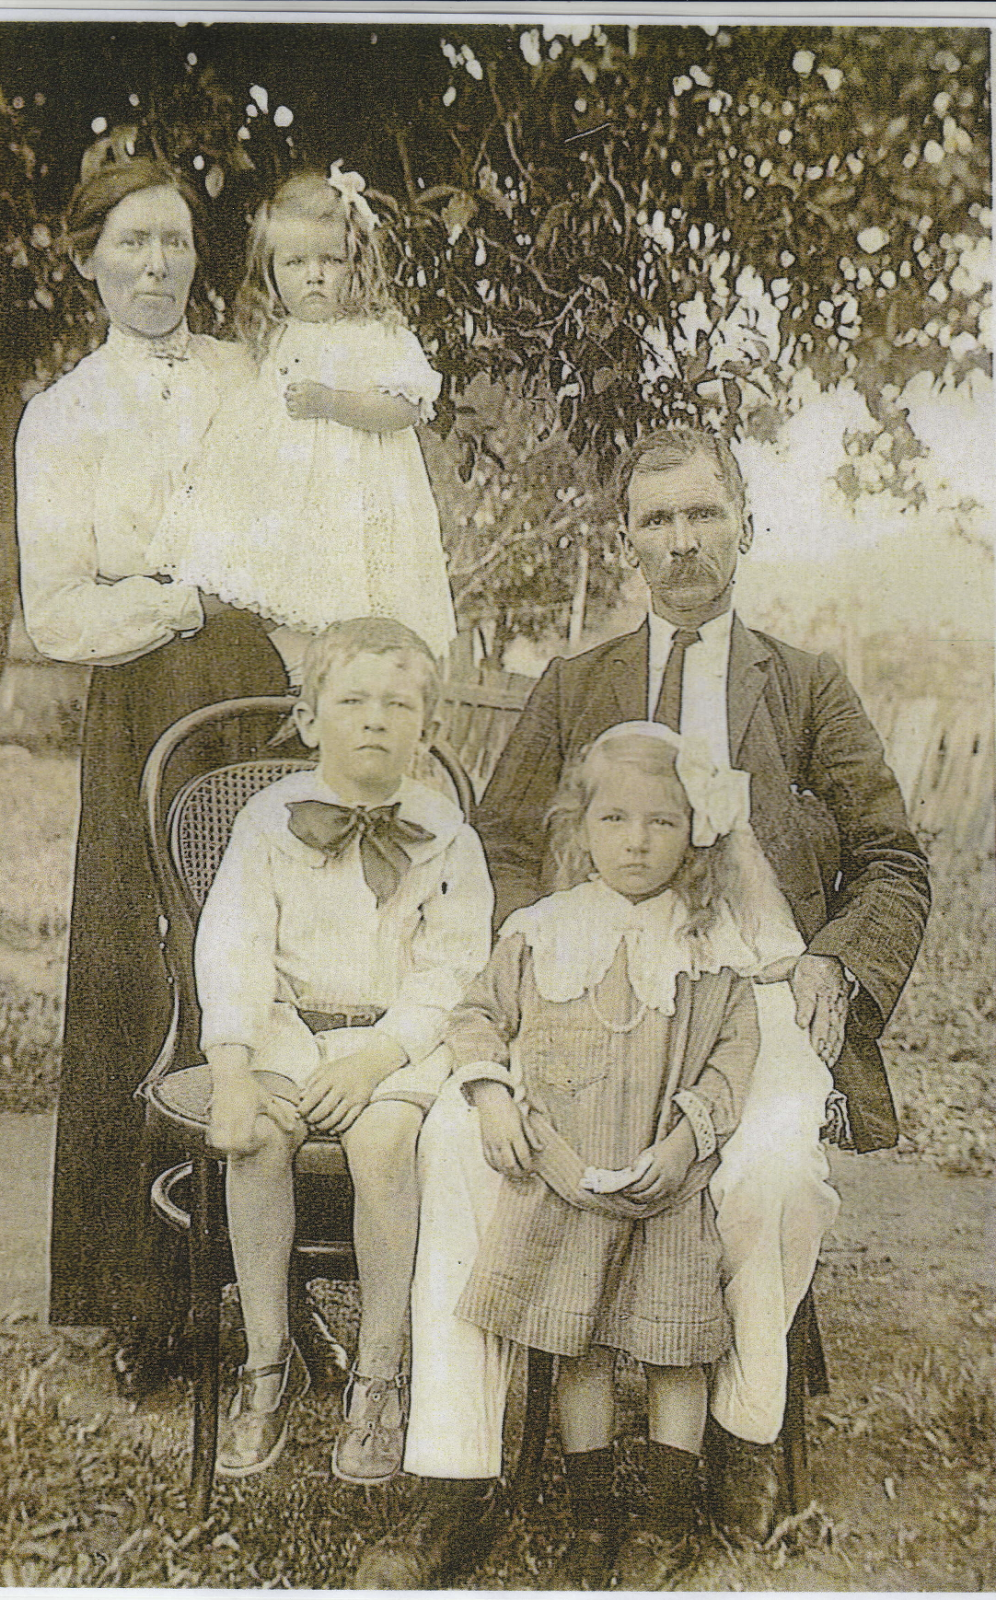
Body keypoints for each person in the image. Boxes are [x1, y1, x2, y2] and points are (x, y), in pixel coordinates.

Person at [357, 424, 931, 1586]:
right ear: (627, 541)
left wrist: (834, 964)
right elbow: (505, 845)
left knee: (767, 1171)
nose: (681, 541)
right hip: (583, 1001)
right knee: (463, 1145)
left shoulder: (805, 686)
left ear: (746, 526)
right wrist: (540, 959)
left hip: (755, 998)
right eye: (656, 520)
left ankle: (739, 1434)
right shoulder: (576, 686)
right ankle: (453, 1473)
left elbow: (893, 862)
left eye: (702, 514)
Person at [16, 156, 289, 1394]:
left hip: (259, 688)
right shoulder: (62, 415)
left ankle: (273, 1282)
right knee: (148, 970)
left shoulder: (248, 378)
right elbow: (60, 611)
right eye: (130, 242)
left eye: (175, 242)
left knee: (266, 952)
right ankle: (144, 1298)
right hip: (144, 695)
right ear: (86, 258)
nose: (156, 265)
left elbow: (303, 519)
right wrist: (177, 598)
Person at [194, 618, 492, 1484]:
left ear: (426, 727)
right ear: (310, 716)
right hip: (286, 1028)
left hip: (400, 1042)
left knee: (383, 1142)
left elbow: (453, 971)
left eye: (397, 705)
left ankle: (380, 1373)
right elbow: (234, 947)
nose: (373, 720)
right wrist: (232, 1067)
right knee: (253, 1138)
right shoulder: (266, 823)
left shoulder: (447, 838)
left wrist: (376, 1058)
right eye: (351, 700)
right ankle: (264, 1362)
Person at [146, 164, 457, 665]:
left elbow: (404, 408)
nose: (314, 275)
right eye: (294, 263)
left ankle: (327, 673)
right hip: (286, 496)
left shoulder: (377, 334)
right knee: (278, 595)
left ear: (357, 264)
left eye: (331, 260)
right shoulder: (277, 337)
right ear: (270, 273)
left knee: (348, 596)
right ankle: (286, 671)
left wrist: (334, 403)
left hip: (351, 493)